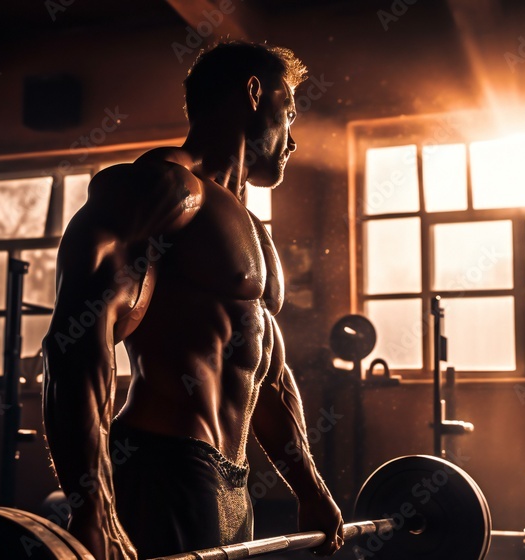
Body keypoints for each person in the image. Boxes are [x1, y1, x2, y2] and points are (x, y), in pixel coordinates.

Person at [42, 41, 344, 560]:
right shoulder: (166, 186)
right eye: (289, 113)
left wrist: (310, 488)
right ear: (254, 92)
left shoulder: (254, 231)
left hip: (231, 482)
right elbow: (75, 338)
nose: (293, 140)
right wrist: (94, 508)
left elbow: (267, 377)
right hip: (164, 468)